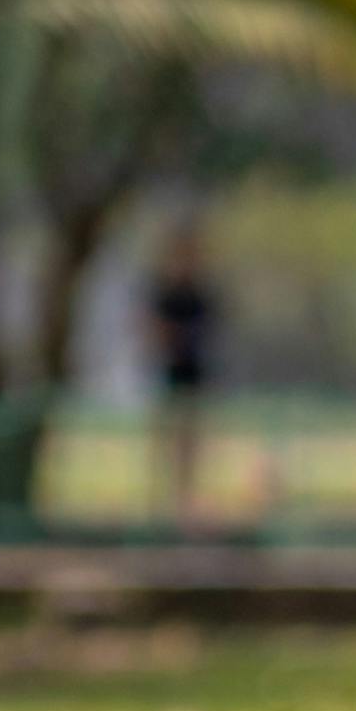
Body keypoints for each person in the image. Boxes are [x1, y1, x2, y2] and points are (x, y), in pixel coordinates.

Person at [147, 226, 218, 531]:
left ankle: (185, 503)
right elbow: (155, 333)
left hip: (195, 378)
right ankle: (165, 505)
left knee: (191, 444)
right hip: (170, 377)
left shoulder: (200, 294)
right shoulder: (165, 293)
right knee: (167, 442)